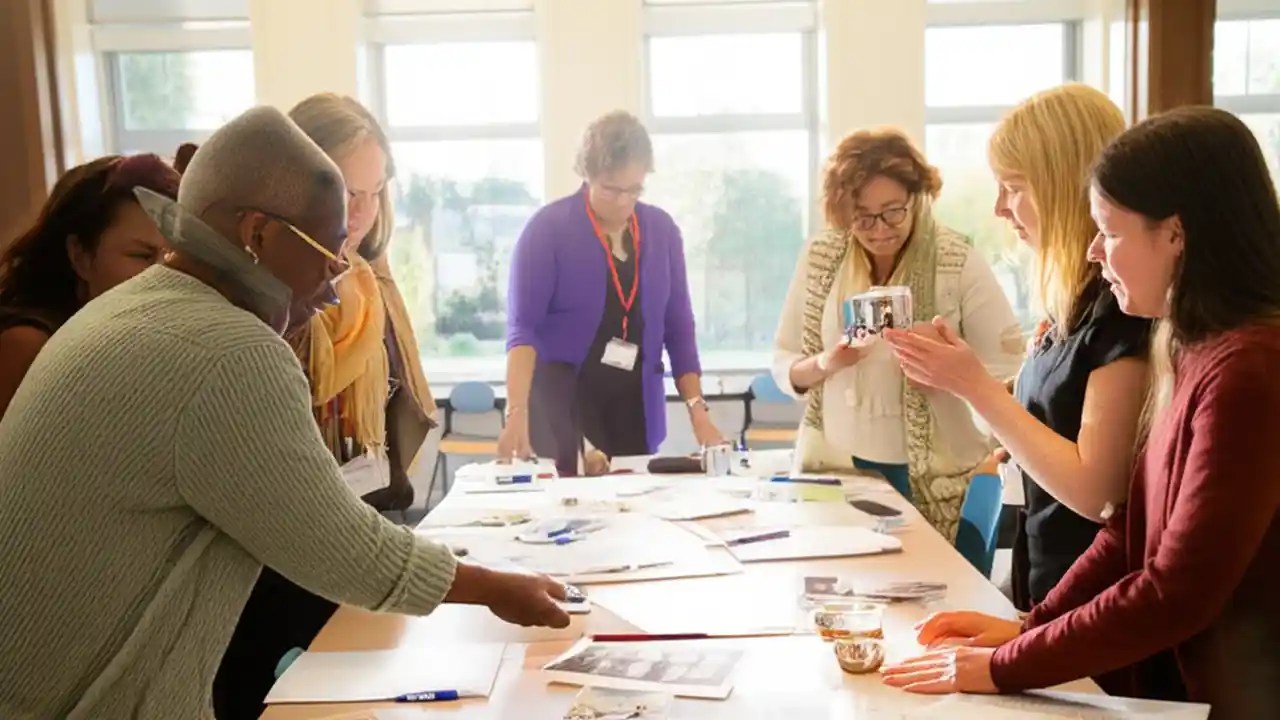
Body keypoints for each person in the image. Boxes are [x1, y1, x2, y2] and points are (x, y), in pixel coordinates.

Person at [0, 106, 569, 720]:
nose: (330, 290)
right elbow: (344, 551)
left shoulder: (131, 308)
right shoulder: (227, 349)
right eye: (327, 260)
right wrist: (496, 587)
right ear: (257, 234)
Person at [881, 107, 1280, 718]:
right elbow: (1128, 532)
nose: (1095, 251)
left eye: (1112, 232)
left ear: (1176, 234)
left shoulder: (1250, 368)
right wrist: (1028, 629)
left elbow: (1177, 589)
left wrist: (1006, 664)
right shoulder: (1189, 344)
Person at [211, 93, 441, 718]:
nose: (362, 213)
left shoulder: (373, 281)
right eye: (346, 190)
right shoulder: (265, 299)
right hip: (284, 555)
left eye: (376, 191)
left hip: (368, 525)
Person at [883, 84, 1150, 608]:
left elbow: (1098, 494)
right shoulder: (1066, 309)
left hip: (1091, 606)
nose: (1001, 209)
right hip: (1045, 588)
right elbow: (1033, 434)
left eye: (1013, 187)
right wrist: (962, 381)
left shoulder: (1121, 312)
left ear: (1061, 185)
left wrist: (974, 385)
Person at [772, 128, 1023, 540]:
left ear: (917, 197)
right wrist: (827, 363)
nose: (880, 229)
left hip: (936, 476)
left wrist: (949, 363)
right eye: (863, 216)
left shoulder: (955, 260)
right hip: (840, 465)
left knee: (931, 594)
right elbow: (784, 361)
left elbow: (1008, 374)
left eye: (893, 211)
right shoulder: (822, 256)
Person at [498, 110, 725, 475]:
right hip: (564, 407)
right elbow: (523, 329)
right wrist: (516, 412)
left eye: (634, 189)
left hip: (633, 405)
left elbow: (679, 327)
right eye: (611, 189)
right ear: (586, 175)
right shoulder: (547, 230)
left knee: (634, 513)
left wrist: (699, 413)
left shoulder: (661, 231)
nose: (623, 201)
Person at [0, 154, 180, 419]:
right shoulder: (28, 346)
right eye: (141, 255)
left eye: (173, 256)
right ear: (80, 256)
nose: (164, 273)